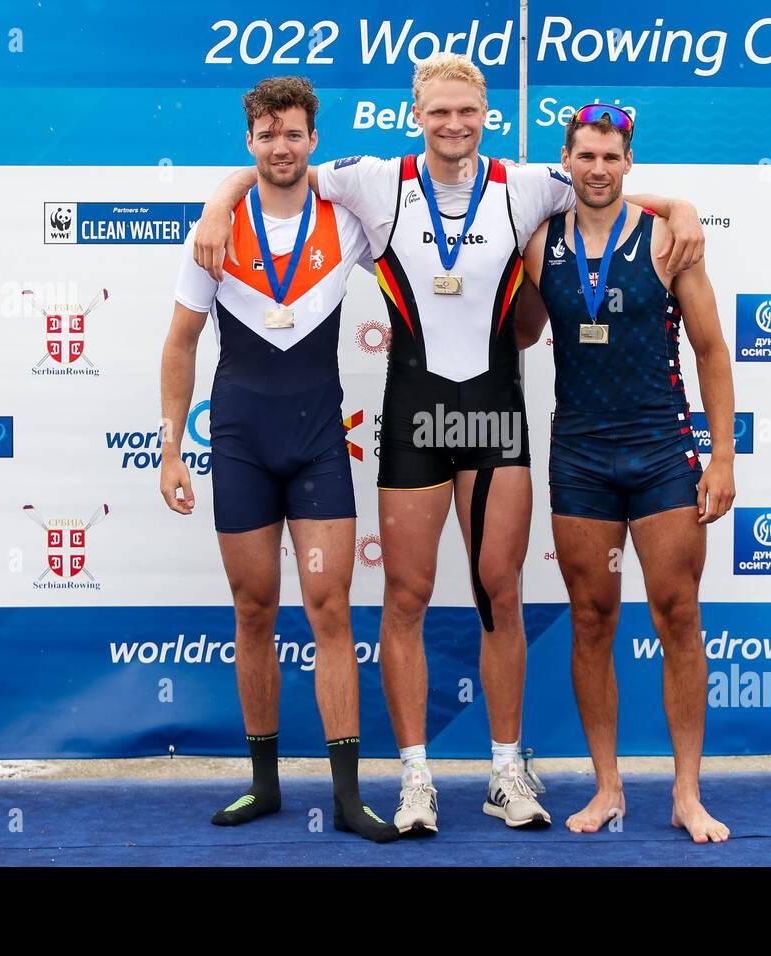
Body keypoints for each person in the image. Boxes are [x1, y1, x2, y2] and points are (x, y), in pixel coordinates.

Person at [191, 54, 707, 834]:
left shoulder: (528, 185)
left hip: (497, 418)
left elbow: (611, 191)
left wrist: (685, 206)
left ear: (486, 113)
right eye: (439, 112)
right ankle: (415, 779)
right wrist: (216, 204)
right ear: (416, 113)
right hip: (414, 420)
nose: (454, 125)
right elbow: (277, 162)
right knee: (406, 600)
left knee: (501, 594)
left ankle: (506, 772)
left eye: (467, 111)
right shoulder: (372, 180)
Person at [160, 76, 397, 843]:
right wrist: (170, 446)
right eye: (267, 135)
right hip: (240, 441)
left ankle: (349, 797)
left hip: (318, 443)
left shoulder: (349, 220)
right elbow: (180, 344)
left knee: (331, 611)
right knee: (253, 610)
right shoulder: (215, 235)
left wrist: (219, 192)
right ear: (250, 141)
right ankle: (263, 786)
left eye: (293, 133)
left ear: (313, 139)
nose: (281, 147)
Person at [517, 104, 735, 843]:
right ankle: (607, 787)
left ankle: (686, 792)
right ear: (567, 161)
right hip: (579, 455)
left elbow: (710, 352)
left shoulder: (671, 240)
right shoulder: (541, 239)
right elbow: (520, 331)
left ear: (628, 161)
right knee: (591, 620)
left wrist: (724, 458)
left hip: (659, 451)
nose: (598, 169)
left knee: (678, 616)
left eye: (611, 156)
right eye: (586, 156)